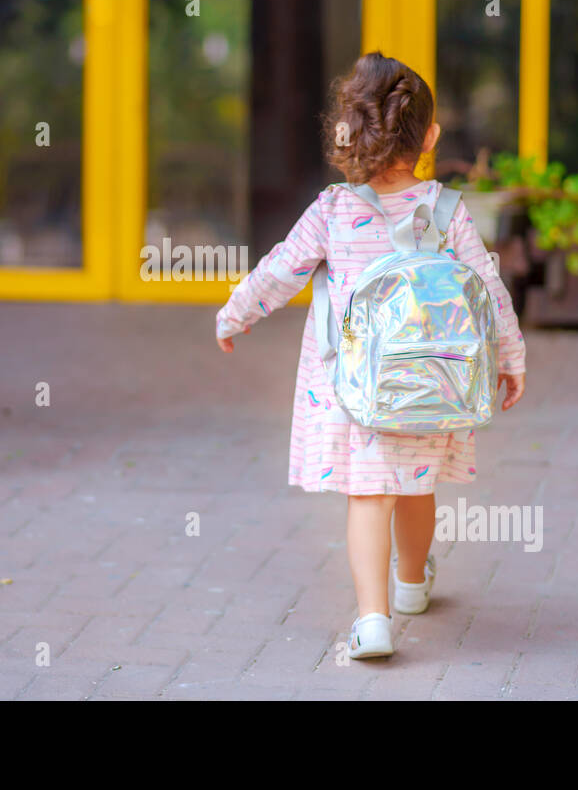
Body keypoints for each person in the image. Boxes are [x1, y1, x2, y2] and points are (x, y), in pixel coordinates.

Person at [214, 51, 527, 659]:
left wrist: (234, 314)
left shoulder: (332, 210)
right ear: (431, 137)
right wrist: (510, 360)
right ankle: (411, 586)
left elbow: (279, 272)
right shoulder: (447, 211)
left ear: (347, 133)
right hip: (432, 385)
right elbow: (488, 292)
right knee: (414, 487)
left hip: (356, 393)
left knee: (369, 496)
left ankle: (373, 620)